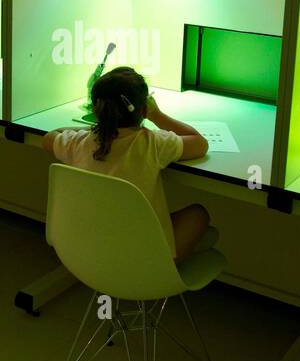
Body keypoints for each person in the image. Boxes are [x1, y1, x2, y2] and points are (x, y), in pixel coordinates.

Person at [42, 67, 217, 260]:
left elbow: (50, 136)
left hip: (87, 253)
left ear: (95, 110)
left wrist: (101, 127)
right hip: (144, 259)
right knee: (198, 215)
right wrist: (156, 115)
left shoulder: (78, 143)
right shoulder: (153, 143)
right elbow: (199, 143)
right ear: (143, 110)